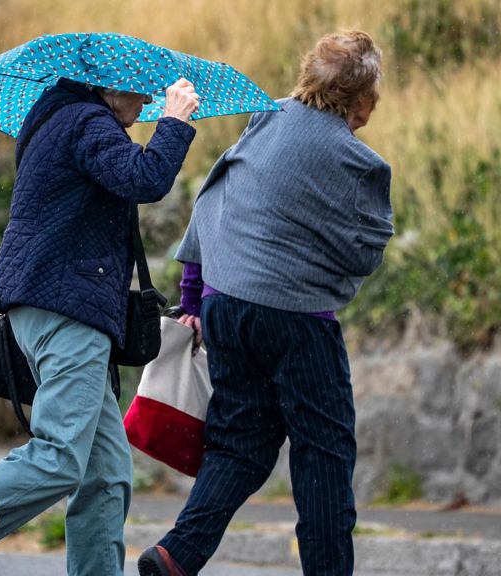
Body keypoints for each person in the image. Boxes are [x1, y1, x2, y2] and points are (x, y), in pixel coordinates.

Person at [0, 76, 200, 576]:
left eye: (155, 100)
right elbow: (146, 179)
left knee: (105, 474)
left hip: (53, 306)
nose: (146, 105)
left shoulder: (62, 118)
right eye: (139, 94)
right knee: (59, 456)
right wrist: (175, 123)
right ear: (109, 88)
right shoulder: (89, 121)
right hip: (68, 313)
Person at [138, 31, 392, 576]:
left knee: (240, 444)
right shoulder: (360, 162)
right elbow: (365, 252)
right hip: (297, 322)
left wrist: (195, 297)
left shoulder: (267, 116)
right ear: (363, 97)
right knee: (323, 457)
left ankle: (176, 555)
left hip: (227, 307)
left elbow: (214, 196)